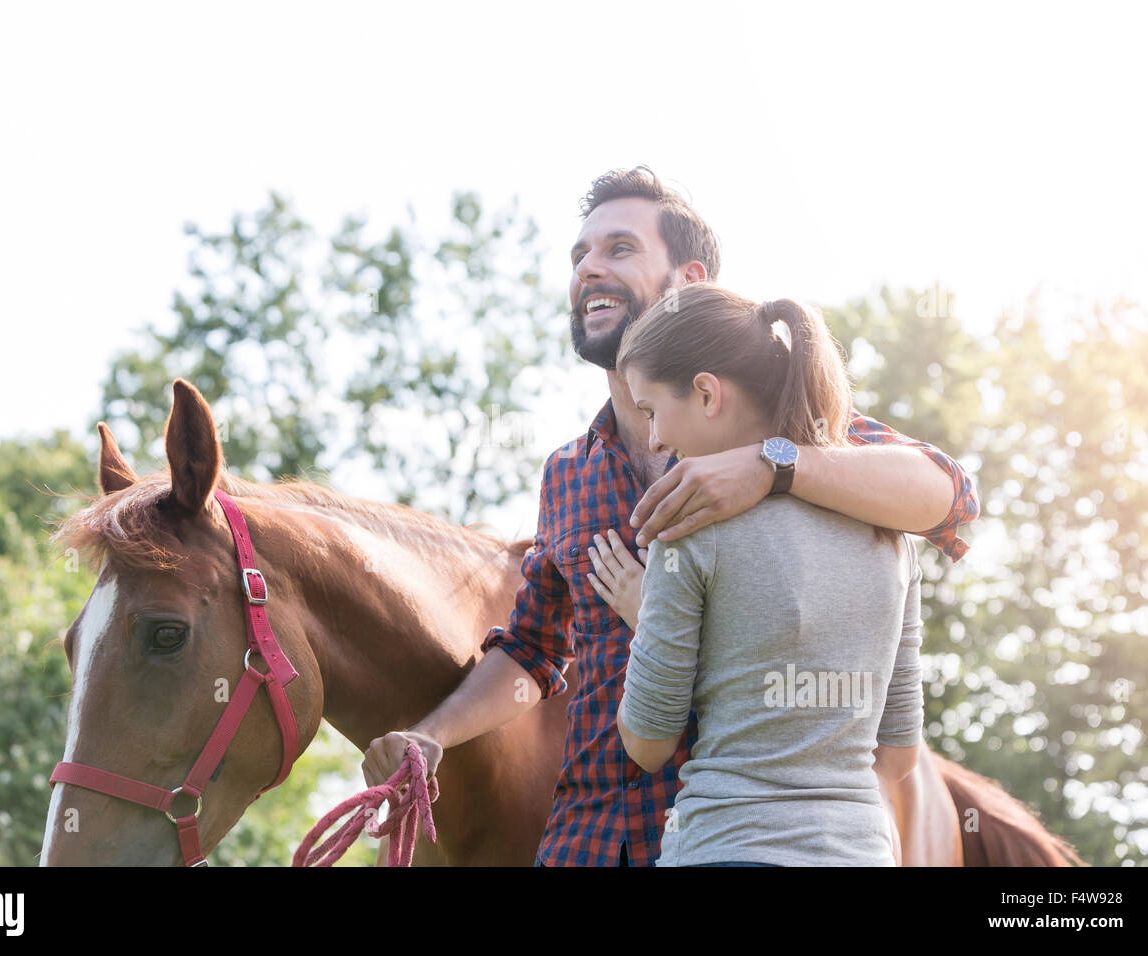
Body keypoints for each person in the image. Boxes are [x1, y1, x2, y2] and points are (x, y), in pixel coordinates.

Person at [362, 166, 978, 867]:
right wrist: (432, 735)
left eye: (619, 249)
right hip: (591, 836)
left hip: (738, 833)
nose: (588, 268)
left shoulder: (803, 434)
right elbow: (534, 652)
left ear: (689, 281)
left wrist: (773, 466)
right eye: (579, 255)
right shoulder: (568, 473)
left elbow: (952, 497)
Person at [614, 284, 921, 866]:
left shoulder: (689, 530)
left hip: (726, 846)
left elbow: (648, 745)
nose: (654, 438)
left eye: (652, 411)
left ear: (707, 393)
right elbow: (899, 754)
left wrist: (647, 623)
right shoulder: (893, 535)